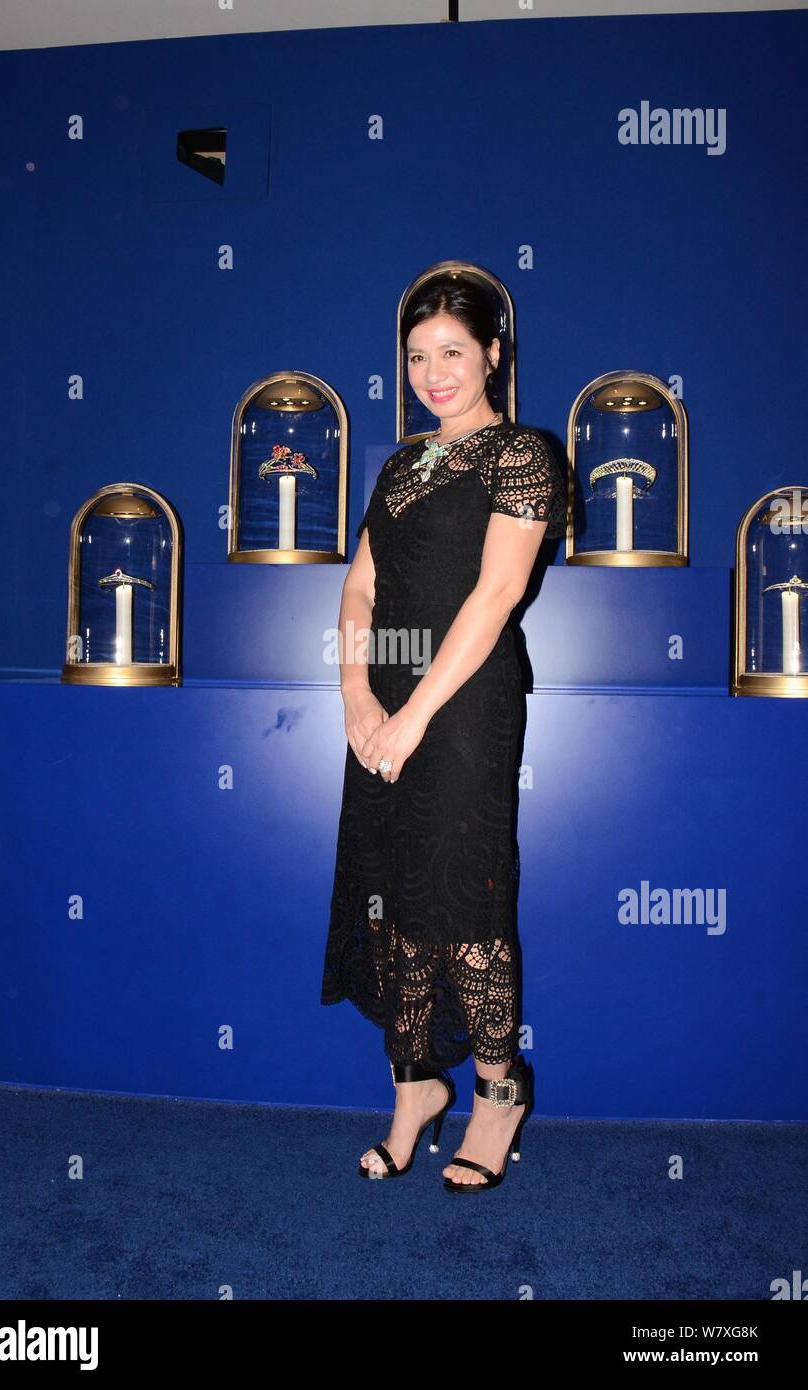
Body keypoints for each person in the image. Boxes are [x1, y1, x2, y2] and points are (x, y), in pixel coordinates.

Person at [320, 273, 565, 1191]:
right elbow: (358, 587)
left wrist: (415, 714)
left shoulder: (523, 452)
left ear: (493, 353)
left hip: (461, 707)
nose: (432, 373)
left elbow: (497, 593)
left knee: (465, 902)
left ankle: (498, 1095)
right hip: (381, 703)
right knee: (392, 899)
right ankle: (416, 1088)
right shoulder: (397, 465)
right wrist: (356, 696)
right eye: (417, 357)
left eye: (451, 353)